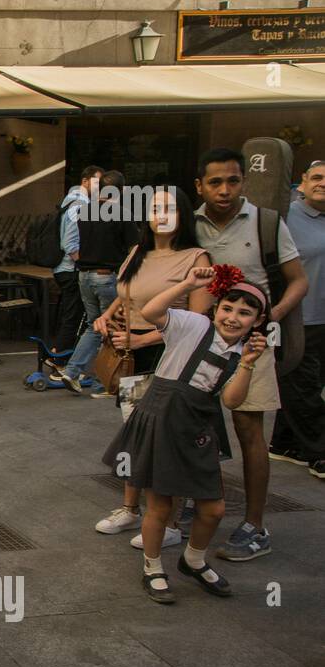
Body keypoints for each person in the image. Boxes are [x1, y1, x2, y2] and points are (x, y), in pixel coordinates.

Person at [103, 266, 269, 604]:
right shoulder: (195, 325)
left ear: (258, 319)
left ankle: (193, 560)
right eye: (227, 308)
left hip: (198, 426)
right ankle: (152, 568)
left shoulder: (245, 352)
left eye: (244, 312)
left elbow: (231, 399)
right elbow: (151, 312)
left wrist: (249, 363)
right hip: (161, 416)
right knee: (160, 505)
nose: (233, 317)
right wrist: (190, 284)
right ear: (216, 308)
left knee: (214, 509)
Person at [193, 147, 309, 561]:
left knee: (249, 431)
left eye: (233, 180)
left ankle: (255, 526)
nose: (225, 190)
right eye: (215, 182)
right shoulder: (192, 224)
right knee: (195, 425)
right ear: (200, 186)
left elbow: (298, 281)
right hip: (202, 341)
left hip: (253, 343)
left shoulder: (266, 221)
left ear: (243, 181)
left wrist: (269, 315)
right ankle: (198, 505)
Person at [91, 188, 213, 545]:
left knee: (164, 440)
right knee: (134, 432)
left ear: (184, 215)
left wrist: (145, 340)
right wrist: (107, 315)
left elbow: (197, 320)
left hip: (168, 355)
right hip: (129, 355)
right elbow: (125, 291)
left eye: (171, 208)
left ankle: (169, 523)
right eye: (156, 208)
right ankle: (130, 510)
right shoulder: (137, 252)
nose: (162, 214)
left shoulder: (196, 257)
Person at [59, 170, 139, 394]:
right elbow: (136, 247)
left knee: (94, 325)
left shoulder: (85, 212)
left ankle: (72, 371)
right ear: (120, 190)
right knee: (111, 328)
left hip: (84, 276)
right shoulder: (121, 213)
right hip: (106, 276)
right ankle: (104, 382)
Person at [270, 158, 325, 478]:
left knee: (308, 383)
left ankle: (283, 442)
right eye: (316, 177)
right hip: (298, 317)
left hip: (322, 319)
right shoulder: (287, 216)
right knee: (302, 384)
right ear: (302, 181)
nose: (322, 183)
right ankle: (319, 451)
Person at [52, 166, 104, 354]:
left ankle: (61, 352)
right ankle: (58, 356)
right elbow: (70, 244)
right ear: (85, 181)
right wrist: (85, 264)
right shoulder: (79, 205)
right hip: (70, 269)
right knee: (72, 316)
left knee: (70, 314)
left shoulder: (71, 201)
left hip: (64, 268)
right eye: (97, 182)